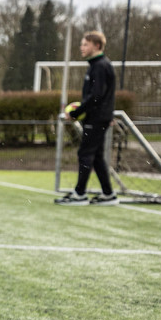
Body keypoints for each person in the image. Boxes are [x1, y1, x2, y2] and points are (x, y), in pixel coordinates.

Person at [56, 30, 118, 206]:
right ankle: (108, 194)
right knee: (96, 156)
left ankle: (80, 194)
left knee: (85, 153)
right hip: (98, 117)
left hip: (96, 119)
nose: (81, 47)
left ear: (97, 46)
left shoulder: (100, 66)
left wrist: (75, 113)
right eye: (81, 44)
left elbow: (96, 96)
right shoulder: (96, 65)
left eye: (85, 44)